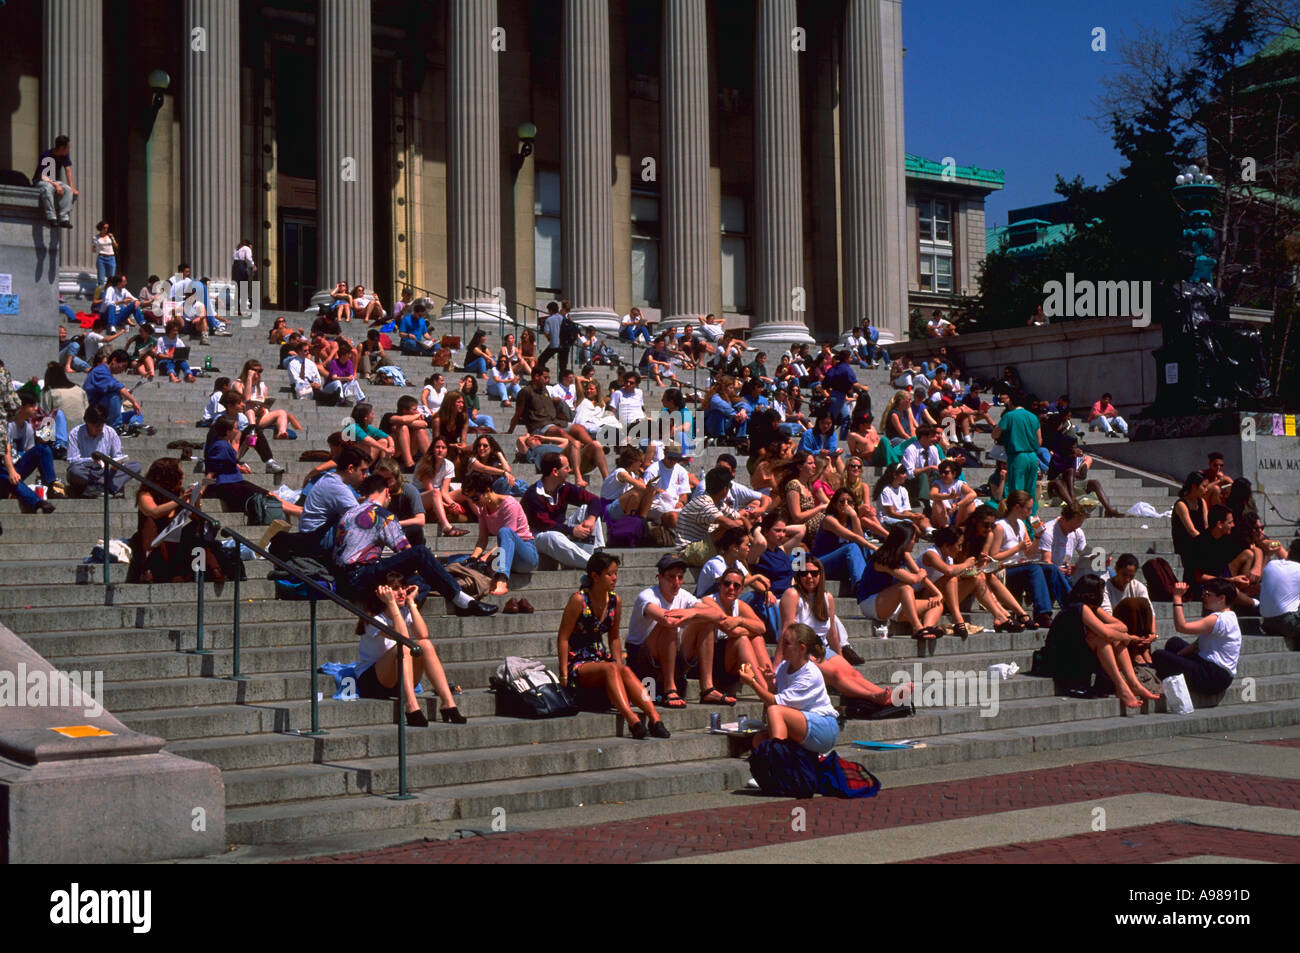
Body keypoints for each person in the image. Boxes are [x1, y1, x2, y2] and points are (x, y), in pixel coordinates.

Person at [333, 473, 498, 617]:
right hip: (361, 576)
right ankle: (461, 599)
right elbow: (406, 550)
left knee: (420, 579)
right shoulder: (382, 514)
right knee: (421, 554)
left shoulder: (348, 514)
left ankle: (412, 598)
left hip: (342, 581)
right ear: (387, 492)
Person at [558, 552, 669, 738]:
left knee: (622, 669)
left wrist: (618, 661)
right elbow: (563, 637)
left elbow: (614, 637)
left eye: (616, 573)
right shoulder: (578, 600)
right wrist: (563, 674)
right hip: (577, 661)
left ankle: (654, 717)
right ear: (595, 576)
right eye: (610, 574)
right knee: (611, 668)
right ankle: (632, 719)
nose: (615, 578)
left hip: (599, 657)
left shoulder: (614, 601)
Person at [356, 573, 466, 726]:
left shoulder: (403, 611)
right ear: (381, 592)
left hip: (398, 680)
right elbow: (403, 637)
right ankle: (411, 706)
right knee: (404, 647)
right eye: (395, 589)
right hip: (373, 682)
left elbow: (423, 634)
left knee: (425, 645)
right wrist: (392, 604)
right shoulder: (374, 619)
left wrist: (411, 603)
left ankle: (448, 703)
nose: (401, 592)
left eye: (402, 587)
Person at [781, 554, 894, 700]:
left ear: (821, 575)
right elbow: (786, 631)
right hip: (800, 651)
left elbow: (832, 633)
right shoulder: (792, 594)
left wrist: (840, 658)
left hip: (821, 648)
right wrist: (778, 665)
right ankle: (874, 697)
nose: (809, 577)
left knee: (854, 673)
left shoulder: (826, 597)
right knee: (838, 675)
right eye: (804, 573)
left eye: (814, 573)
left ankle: (886, 694)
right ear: (798, 576)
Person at [1040, 574, 1162, 707]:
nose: (1102, 596)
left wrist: (1104, 629)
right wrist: (1127, 637)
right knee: (1102, 639)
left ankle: (1134, 684)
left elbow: (1122, 626)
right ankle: (1122, 687)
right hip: (1059, 661)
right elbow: (1107, 634)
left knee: (1112, 638)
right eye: (1101, 592)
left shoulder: (1092, 609)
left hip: (1077, 657)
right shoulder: (1078, 607)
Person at [993, 490, 1070, 627]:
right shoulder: (1000, 526)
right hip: (1003, 570)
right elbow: (993, 557)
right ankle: (1042, 613)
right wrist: (1017, 548)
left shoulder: (1021, 525)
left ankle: (1071, 606)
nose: (1029, 512)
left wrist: (1038, 537)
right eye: (1028, 509)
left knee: (1051, 568)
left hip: (1018, 567)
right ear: (1017, 507)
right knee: (1034, 568)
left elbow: (1030, 554)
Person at [1156, 580, 1242, 698]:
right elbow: (1199, 644)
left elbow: (1182, 627)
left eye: (1208, 595)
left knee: (1158, 655)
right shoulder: (1229, 616)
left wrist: (1177, 597)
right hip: (1213, 670)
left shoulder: (1218, 619)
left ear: (1221, 598)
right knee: (1174, 643)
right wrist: (1179, 655)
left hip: (1213, 677)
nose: (1203, 597)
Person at [522, 452, 607, 570]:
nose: (570, 470)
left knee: (588, 510)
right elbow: (545, 524)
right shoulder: (533, 495)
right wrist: (572, 530)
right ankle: (597, 566)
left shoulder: (564, 487)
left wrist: (591, 519)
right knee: (553, 536)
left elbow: (594, 500)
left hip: (561, 528)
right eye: (566, 468)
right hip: (536, 535)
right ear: (555, 472)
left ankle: (596, 554)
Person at [464, 473, 537, 598]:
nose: (474, 503)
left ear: (487, 491)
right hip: (506, 555)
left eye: (475, 498)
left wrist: (486, 557)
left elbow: (506, 540)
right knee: (459, 559)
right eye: (471, 499)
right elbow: (482, 540)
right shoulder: (483, 510)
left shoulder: (510, 504)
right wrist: (473, 559)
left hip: (525, 555)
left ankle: (502, 579)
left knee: (504, 532)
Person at [65, 405, 140, 497]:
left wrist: (117, 462)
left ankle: (97, 487)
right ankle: (106, 486)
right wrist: (92, 460)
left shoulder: (110, 432)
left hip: (106, 470)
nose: (99, 428)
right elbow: (72, 460)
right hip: (87, 471)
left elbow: (118, 455)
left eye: (101, 425)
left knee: (135, 466)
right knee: (75, 471)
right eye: (95, 425)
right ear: (87, 422)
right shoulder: (75, 433)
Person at [0, 393, 57, 514]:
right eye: (31, 405)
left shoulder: (28, 428)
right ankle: (37, 501)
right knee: (5, 473)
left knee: (42, 449)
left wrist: (45, 435)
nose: (36, 408)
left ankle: (52, 485)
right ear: (21, 407)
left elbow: (29, 452)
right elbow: (4, 449)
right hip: (4, 469)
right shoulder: (7, 426)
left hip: (16, 468)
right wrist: (11, 471)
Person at [993, 389, 1041, 516]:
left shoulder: (1009, 416)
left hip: (1017, 456)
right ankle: (1032, 519)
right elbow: (1039, 440)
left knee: (1017, 492)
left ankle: (1018, 521)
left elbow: (995, 434)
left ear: (1011, 402)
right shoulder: (1033, 417)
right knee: (1030, 491)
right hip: (1032, 456)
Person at [413, 436, 470, 538]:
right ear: (432, 449)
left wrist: (453, 504)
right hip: (419, 497)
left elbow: (444, 491)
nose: (440, 450)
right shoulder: (423, 464)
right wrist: (446, 505)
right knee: (435, 492)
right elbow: (430, 491)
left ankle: (483, 519)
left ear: (447, 451)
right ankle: (447, 527)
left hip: (437, 495)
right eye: (437, 447)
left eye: (443, 448)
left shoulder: (449, 465)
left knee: (466, 491)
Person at [83, 349, 147, 433]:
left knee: (136, 413)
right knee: (114, 395)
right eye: (123, 366)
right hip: (95, 411)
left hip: (106, 412)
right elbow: (117, 387)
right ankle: (117, 427)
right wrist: (134, 401)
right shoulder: (99, 371)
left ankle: (134, 425)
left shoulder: (106, 373)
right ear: (114, 360)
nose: (122, 370)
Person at [1259, 538, 1300, 645]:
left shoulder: (1272, 564)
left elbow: (1276, 544)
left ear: (1290, 551)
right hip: (1289, 623)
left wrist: (1276, 546)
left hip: (1268, 624)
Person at [34, 134, 77, 227]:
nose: (69, 149)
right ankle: (51, 217)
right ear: (62, 147)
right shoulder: (46, 155)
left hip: (54, 181)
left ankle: (64, 218)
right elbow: (42, 176)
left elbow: (68, 171)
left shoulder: (64, 155)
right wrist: (56, 185)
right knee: (48, 187)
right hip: (41, 180)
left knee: (68, 190)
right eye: (68, 147)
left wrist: (72, 187)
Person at [93, 221, 120, 289]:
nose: (106, 229)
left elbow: (116, 246)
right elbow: (94, 250)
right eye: (104, 228)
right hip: (102, 258)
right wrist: (95, 245)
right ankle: (101, 296)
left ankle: (109, 295)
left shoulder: (109, 236)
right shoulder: (96, 237)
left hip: (111, 258)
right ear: (100, 228)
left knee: (111, 278)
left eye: (107, 228)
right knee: (101, 280)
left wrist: (112, 238)